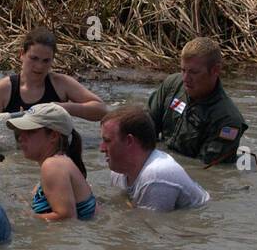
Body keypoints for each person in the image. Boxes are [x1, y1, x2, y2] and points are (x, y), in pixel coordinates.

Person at [146, 37, 248, 166]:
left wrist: (160, 156)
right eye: (183, 70)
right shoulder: (172, 85)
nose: (185, 78)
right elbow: (146, 129)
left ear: (215, 70)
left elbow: (204, 169)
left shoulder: (228, 121)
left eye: (194, 72)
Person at [0, 26, 107, 119]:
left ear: (52, 60)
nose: (39, 66)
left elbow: (101, 110)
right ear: (21, 55)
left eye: (46, 61)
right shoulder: (3, 89)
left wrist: (62, 108)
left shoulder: (61, 84)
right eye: (34, 58)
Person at [100, 105, 209, 212]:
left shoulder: (157, 175)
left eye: (107, 141)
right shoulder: (119, 170)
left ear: (129, 141)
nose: (101, 148)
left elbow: (149, 226)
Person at [7, 103, 96, 221]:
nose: (20, 138)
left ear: (53, 136)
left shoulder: (53, 165)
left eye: (30, 131)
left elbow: (67, 218)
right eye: (19, 132)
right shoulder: (60, 162)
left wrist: (24, 217)